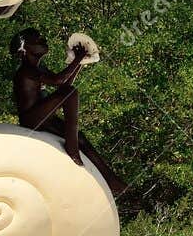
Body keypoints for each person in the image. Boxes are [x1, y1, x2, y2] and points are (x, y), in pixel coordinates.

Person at [10, 28, 127, 196]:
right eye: (38, 40)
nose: (44, 40)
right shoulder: (27, 70)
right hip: (32, 119)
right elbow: (59, 81)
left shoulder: (39, 68)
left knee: (82, 137)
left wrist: (79, 63)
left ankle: (111, 180)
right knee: (70, 93)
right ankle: (72, 149)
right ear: (25, 48)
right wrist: (77, 58)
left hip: (44, 116)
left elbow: (62, 85)